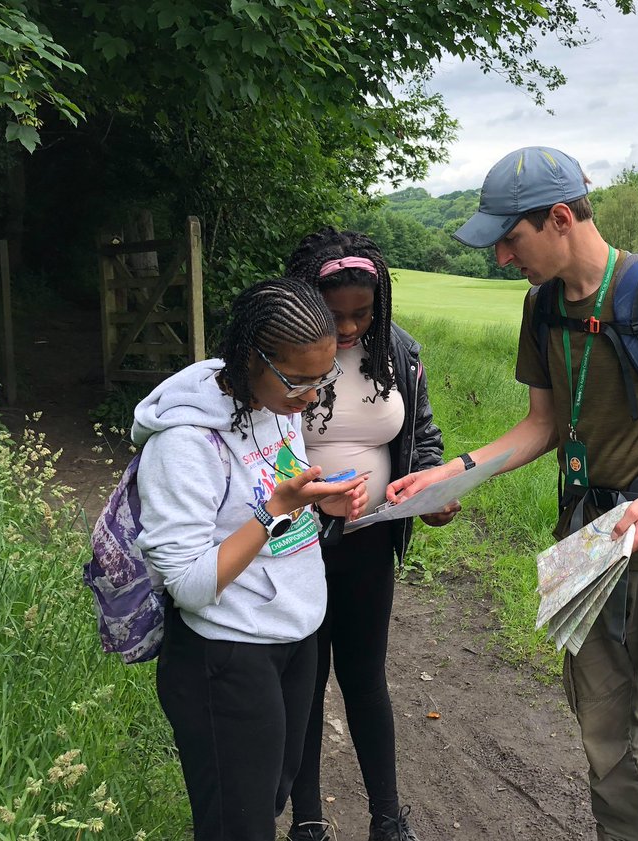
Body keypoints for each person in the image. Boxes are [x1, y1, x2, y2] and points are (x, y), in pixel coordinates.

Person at [388, 147, 638, 841]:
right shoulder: (541, 306)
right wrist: (456, 468)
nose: (500, 258)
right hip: (587, 544)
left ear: (560, 218)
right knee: (604, 735)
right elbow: (544, 424)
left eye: (509, 239)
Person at [132, 277, 369, 841]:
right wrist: (273, 511)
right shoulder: (184, 443)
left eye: (322, 378)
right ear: (248, 357)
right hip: (227, 653)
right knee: (238, 825)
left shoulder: (277, 402)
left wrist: (321, 503)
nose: (311, 397)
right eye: (298, 381)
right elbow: (188, 584)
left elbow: (279, 497)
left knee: (269, 797)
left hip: (293, 634)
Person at [281, 228, 458, 841]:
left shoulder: (397, 352)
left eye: (364, 312)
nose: (351, 327)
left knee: (365, 677)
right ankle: (307, 821)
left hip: (371, 541)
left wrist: (428, 493)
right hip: (291, 543)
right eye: (336, 316)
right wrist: (310, 495)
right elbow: (249, 446)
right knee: (304, 677)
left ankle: (389, 817)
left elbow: (423, 436)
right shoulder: (284, 353)